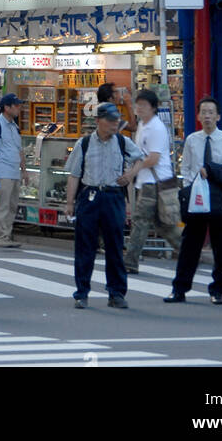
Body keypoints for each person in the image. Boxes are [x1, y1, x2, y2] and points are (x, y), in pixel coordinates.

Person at [164, 96, 222, 305]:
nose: (207, 116)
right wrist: (192, 188)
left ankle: (218, 289)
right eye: (204, 112)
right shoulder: (192, 139)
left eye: (211, 112)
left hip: (221, 200)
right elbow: (187, 167)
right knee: (190, 244)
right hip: (197, 199)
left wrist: (215, 174)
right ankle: (180, 288)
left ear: (218, 116)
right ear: (198, 116)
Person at [65, 103, 144, 309]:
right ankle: (81, 292)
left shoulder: (122, 141)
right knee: (85, 247)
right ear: (98, 121)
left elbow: (140, 159)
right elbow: (74, 175)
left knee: (115, 246)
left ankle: (116, 293)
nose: (114, 124)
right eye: (110, 120)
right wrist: (69, 203)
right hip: (90, 195)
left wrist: (130, 175)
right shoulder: (84, 144)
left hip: (113, 196)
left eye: (116, 120)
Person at [123, 89, 183, 273]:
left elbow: (153, 158)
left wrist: (133, 171)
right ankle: (189, 252)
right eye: (137, 104)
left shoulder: (156, 127)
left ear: (153, 107)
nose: (139, 108)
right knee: (163, 225)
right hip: (149, 181)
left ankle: (130, 262)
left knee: (141, 221)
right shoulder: (143, 124)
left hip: (154, 182)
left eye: (143, 105)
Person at [0, 93, 26, 248]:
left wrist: (24, 170)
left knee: (12, 205)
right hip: (2, 172)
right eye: (16, 106)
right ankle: (0, 236)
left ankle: (6, 235)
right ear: (6, 107)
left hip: (14, 172)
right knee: (1, 206)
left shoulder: (15, 127)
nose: (19, 108)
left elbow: (19, 149)